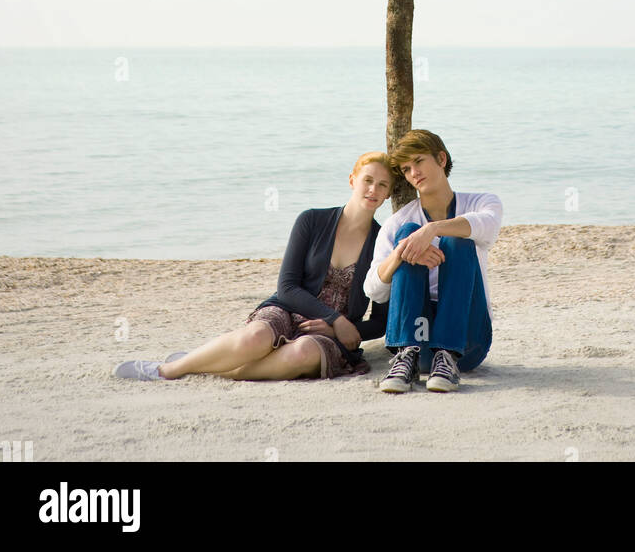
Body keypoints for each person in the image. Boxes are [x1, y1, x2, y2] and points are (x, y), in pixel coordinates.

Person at [113, 152, 396, 382]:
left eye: (382, 185)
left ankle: (216, 367)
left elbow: (381, 320)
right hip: (287, 309)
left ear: (388, 193)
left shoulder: (382, 242)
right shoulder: (311, 221)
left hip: (328, 336)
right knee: (257, 337)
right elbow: (286, 287)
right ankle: (166, 370)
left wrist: (339, 329)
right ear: (352, 180)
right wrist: (335, 317)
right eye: (367, 180)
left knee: (301, 355)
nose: (373, 189)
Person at [363, 129, 503, 394]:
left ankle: (447, 356)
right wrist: (401, 252)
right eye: (406, 169)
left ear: (441, 158)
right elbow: (373, 292)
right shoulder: (399, 222)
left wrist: (433, 230)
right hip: (418, 342)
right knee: (406, 237)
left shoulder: (482, 202)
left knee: (459, 239)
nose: (413, 172)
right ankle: (405, 356)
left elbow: (489, 226)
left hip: (467, 343)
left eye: (419, 161)